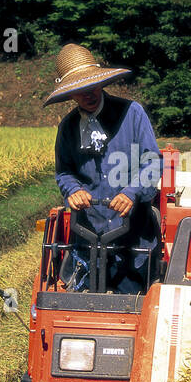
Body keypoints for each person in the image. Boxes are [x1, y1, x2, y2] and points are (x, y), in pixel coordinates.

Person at [45, 44, 161, 293]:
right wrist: (73, 190)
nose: (88, 94)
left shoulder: (132, 113)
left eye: (92, 85)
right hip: (88, 238)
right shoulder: (67, 128)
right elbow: (64, 172)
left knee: (131, 312)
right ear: (70, 94)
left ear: (101, 82)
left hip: (134, 239)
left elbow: (153, 161)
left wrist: (131, 193)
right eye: (80, 90)